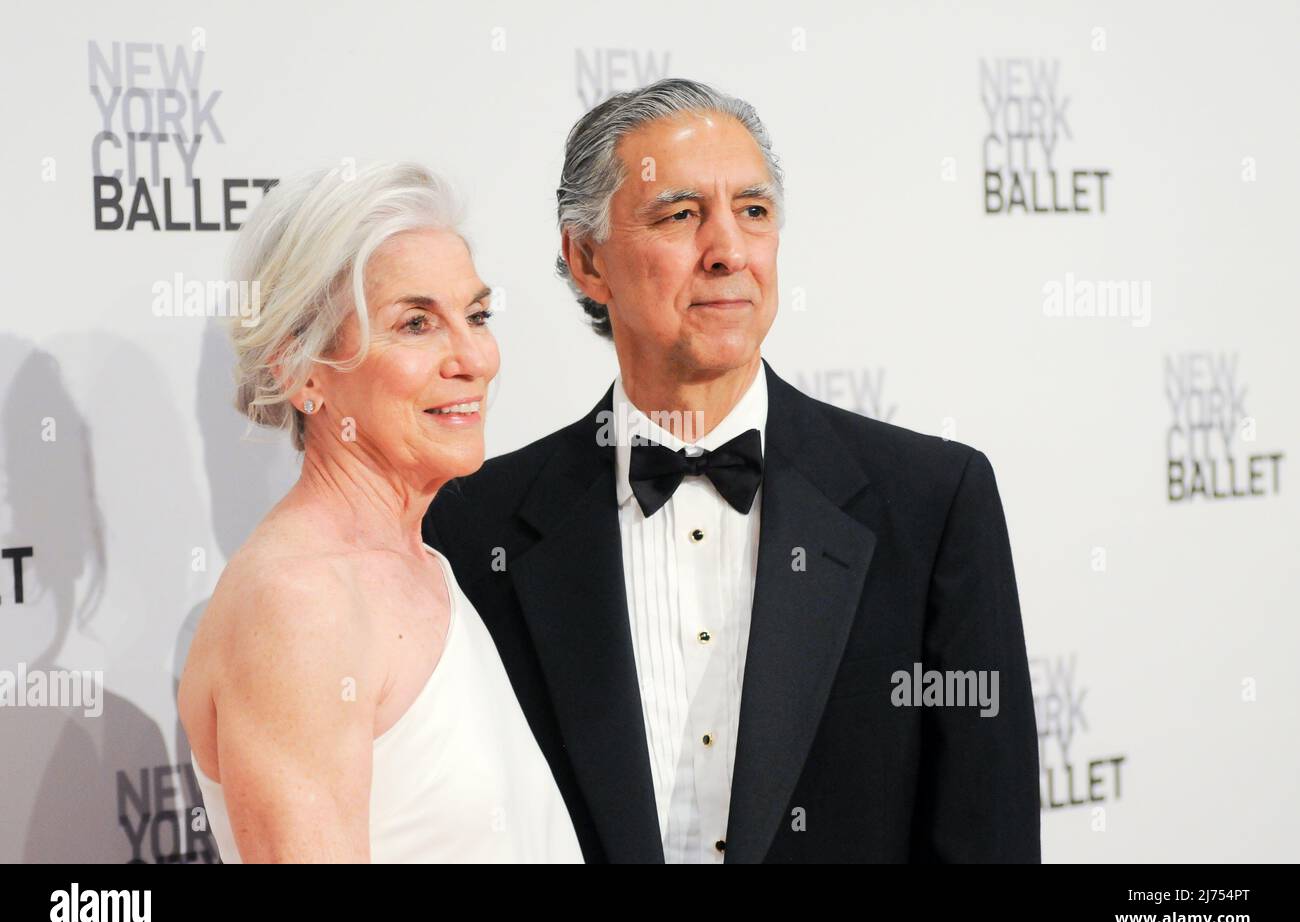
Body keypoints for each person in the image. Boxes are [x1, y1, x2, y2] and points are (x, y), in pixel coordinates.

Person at [424, 79, 1041, 863]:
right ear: (587, 260)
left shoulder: (932, 502)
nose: (728, 250)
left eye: (753, 211)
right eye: (681, 215)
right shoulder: (473, 524)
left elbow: (987, 832)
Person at [177, 162, 583, 863]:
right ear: (300, 370)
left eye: (477, 315)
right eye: (416, 323)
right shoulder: (299, 603)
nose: (474, 357)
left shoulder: (426, 563)